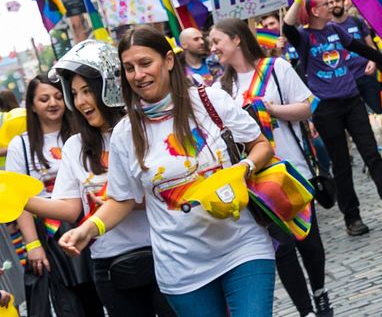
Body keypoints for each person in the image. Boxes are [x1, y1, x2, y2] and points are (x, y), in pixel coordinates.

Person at [58, 26, 276, 317]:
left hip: (242, 246)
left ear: (169, 61)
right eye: (129, 68)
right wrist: (88, 229)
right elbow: (122, 200)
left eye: (145, 63)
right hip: (182, 269)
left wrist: (242, 169)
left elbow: (261, 145)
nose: (138, 74)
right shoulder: (125, 134)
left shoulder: (210, 101)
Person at [20, 41, 173, 316]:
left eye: (87, 91)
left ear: (110, 86)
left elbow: (170, 190)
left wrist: (112, 197)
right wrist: (16, 197)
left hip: (167, 251)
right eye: (75, 93)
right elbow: (68, 208)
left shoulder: (143, 129)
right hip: (110, 265)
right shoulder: (75, 145)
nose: (80, 102)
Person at [209, 18, 333, 317]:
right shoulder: (220, 89)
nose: (213, 49)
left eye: (217, 41)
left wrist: (269, 109)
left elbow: (308, 106)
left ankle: (319, 292)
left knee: (309, 241)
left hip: (292, 169)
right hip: (256, 179)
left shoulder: (277, 69)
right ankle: (306, 311)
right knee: (283, 250)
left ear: (237, 39)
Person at [283, 0, 382, 236]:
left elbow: (362, 49)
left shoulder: (336, 30)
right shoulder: (304, 37)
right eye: (324, 3)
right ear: (314, 11)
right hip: (325, 109)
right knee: (342, 164)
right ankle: (352, 219)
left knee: (373, 153)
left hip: (352, 100)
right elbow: (287, 26)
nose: (331, 6)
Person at [7, 74, 102, 317]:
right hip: (51, 233)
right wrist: (33, 244)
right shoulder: (21, 145)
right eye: (44, 98)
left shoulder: (86, 134)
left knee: (98, 292)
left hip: (93, 222)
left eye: (59, 97)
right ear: (31, 105)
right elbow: (21, 200)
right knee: (69, 302)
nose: (53, 103)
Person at [325, 0, 382, 113]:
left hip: (366, 75)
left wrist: (372, 62)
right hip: (346, 82)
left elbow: (371, 46)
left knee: (377, 113)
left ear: (343, 1)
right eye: (330, 3)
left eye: (337, 1)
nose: (334, 5)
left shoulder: (357, 21)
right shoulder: (327, 29)